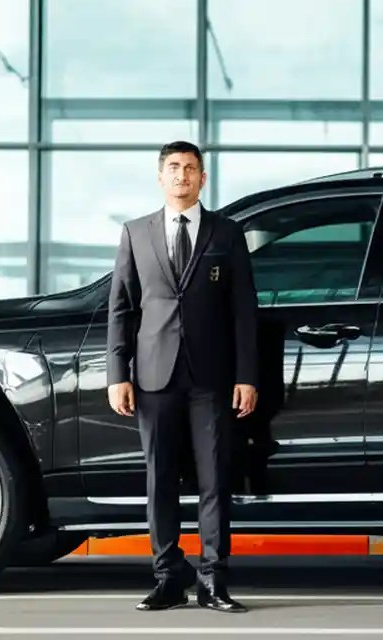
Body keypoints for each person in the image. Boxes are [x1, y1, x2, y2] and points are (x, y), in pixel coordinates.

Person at [105, 141, 259, 613]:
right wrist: (118, 373)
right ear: (160, 177)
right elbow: (121, 308)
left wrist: (246, 375)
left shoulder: (227, 233)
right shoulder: (135, 233)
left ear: (202, 178)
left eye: (190, 168)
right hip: (153, 376)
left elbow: (244, 310)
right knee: (160, 480)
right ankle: (169, 578)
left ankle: (213, 580)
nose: (182, 175)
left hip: (212, 378)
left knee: (215, 481)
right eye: (173, 167)